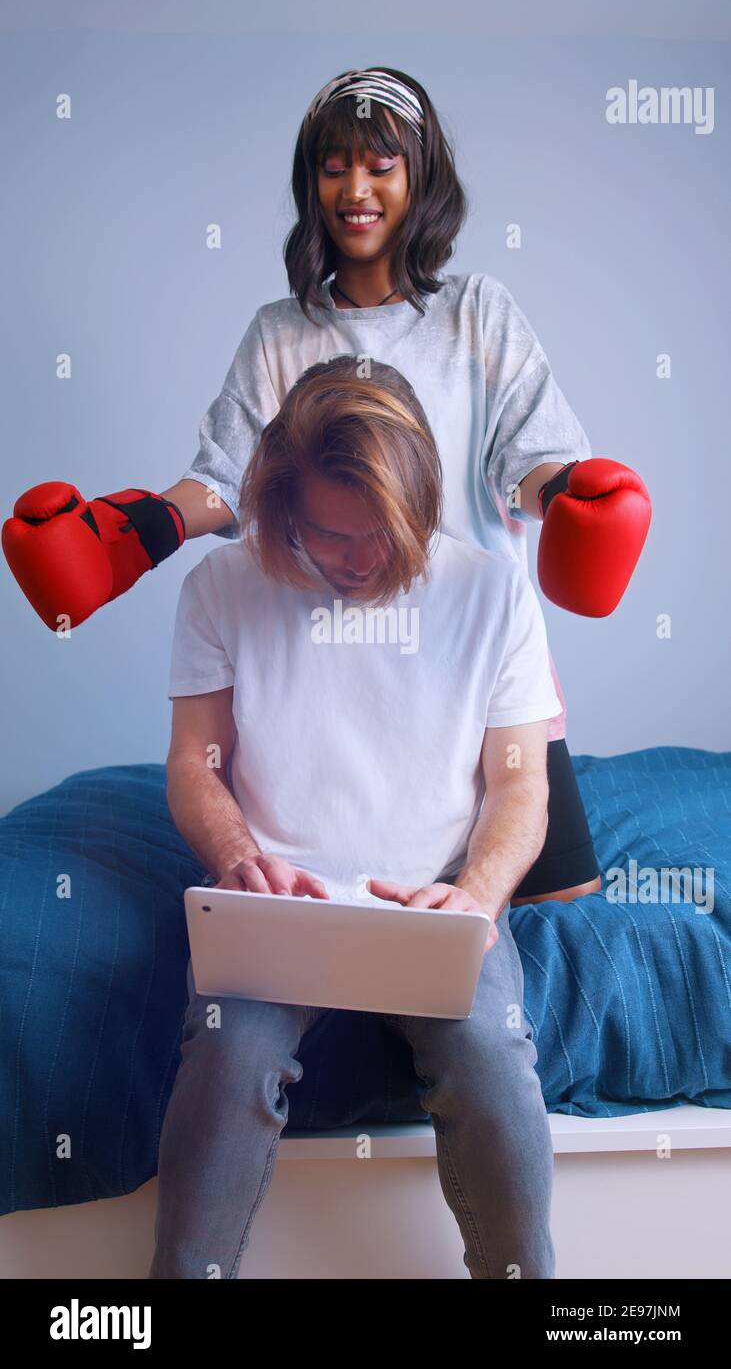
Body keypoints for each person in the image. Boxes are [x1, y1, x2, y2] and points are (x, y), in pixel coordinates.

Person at [2, 65, 651, 905]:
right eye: (334, 165)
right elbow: (228, 479)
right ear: (312, 182)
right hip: (321, 667)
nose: (355, 188)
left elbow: (526, 457)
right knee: (305, 907)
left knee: (565, 920)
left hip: (470, 660)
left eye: (380, 165)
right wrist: (135, 534)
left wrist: (573, 498)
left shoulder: (477, 313)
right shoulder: (279, 333)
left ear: (420, 176)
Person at [150, 354, 563, 1280]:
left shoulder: (494, 595)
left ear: (420, 500)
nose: (358, 560)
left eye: (382, 532)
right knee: (223, 1063)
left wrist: (478, 896)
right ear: (280, 508)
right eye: (326, 535)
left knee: (492, 1060)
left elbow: (518, 786)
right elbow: (193, 759)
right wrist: (235, 855)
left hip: (433, 907)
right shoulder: (220, 589)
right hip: (277, 904)